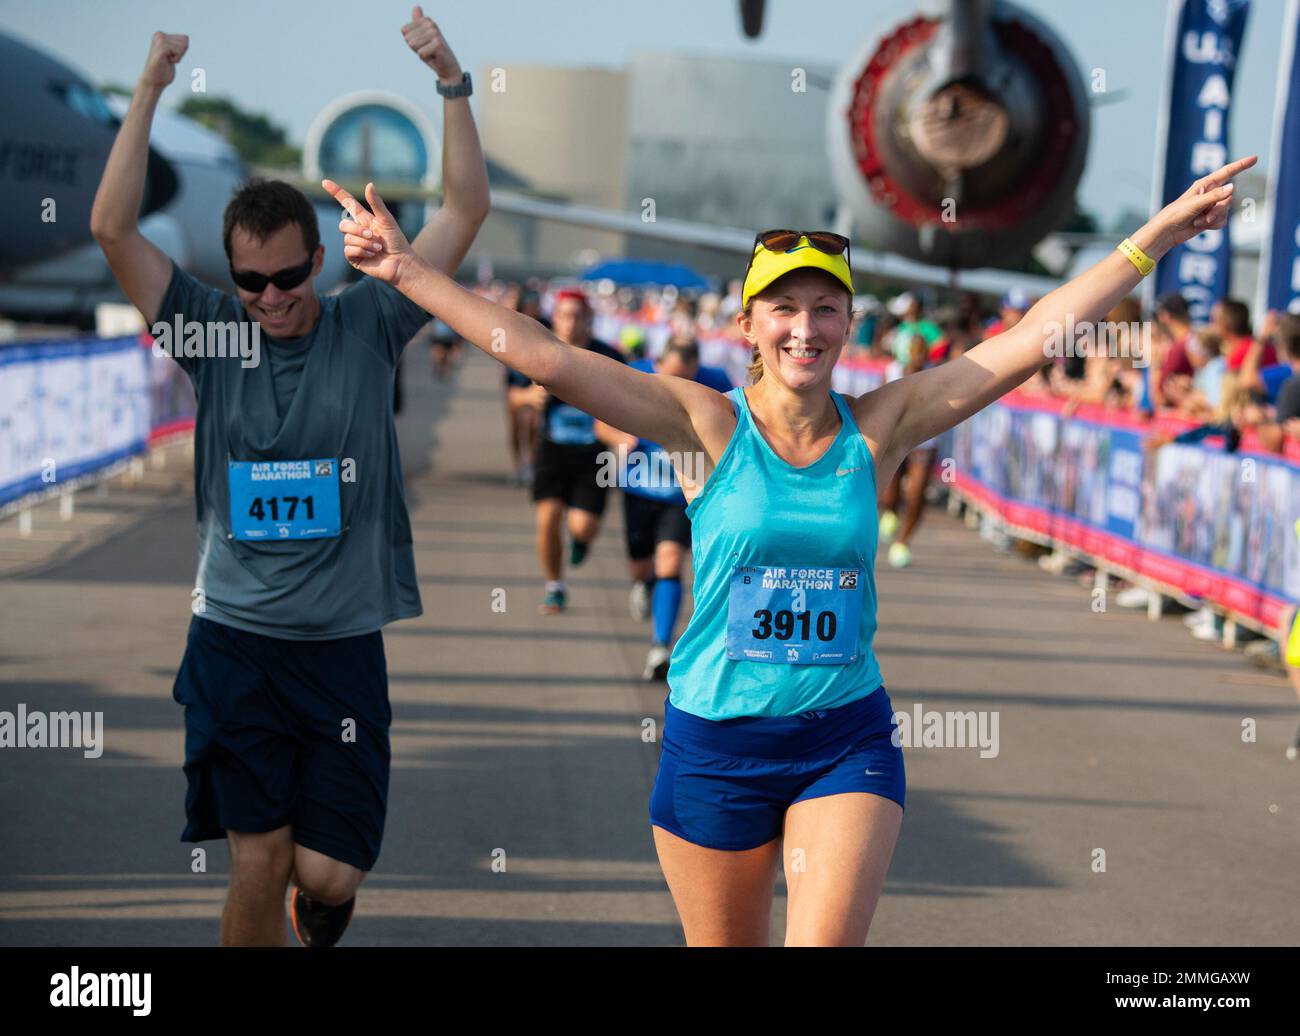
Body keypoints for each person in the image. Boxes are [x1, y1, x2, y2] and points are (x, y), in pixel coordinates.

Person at [324, 151, 1254, 946]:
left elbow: (1030, 341)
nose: (805, 327)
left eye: (826, 308)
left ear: (850, 324)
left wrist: (1154, 238)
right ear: (749, 327)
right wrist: (407, 273)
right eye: (784, 309)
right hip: (715, 743)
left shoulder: (883, 424)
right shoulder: (703, 423)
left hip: (842, 739)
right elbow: (543, 357)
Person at [91, 14, 489, 947]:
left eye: (284, 277)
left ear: (317, 259)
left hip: (341, 647)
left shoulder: (369, 323)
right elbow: (112, 226)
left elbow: (466, 210)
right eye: (249, 282)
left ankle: (328, 903)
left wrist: (451, 80)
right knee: (258, 862)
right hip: (234, 642)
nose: (269, 299)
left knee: (326, 871)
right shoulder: (213, 333)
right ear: (230, 278)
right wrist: (147, 86)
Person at [593, 341, 733, 680]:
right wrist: (619, 438)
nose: (679, 390)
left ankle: (660, 646)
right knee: (641, 567)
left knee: (671, 562)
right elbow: (600, 424)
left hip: (682, 495)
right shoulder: (637, 374)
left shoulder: (716, 380)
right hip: (639, 489)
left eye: (687, 380)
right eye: (672, 379)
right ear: (659, 363)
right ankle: (645, 582)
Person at [507, 289, 626, 614]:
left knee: (582, 525)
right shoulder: (538, 352)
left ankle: (582, 540)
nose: (571, 322)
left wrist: (623, 434)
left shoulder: (608, 355)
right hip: (552, 447)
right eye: (565, 315)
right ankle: (554, 586)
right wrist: (528, 398)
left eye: (578, 315)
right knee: (547, 519)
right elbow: (512, 398)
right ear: (555, 318)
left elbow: (632, 399)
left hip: (594, 453)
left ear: (589, 319)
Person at [502, 286, 545, 486]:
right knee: (515, 427)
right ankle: (518, 465)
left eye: (536, 304)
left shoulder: (546, 324)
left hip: (535, 381)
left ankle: (531, 463)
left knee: (532, 424)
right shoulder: (512, 322)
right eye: (530, 304)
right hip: (515, 379)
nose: (534, 308)